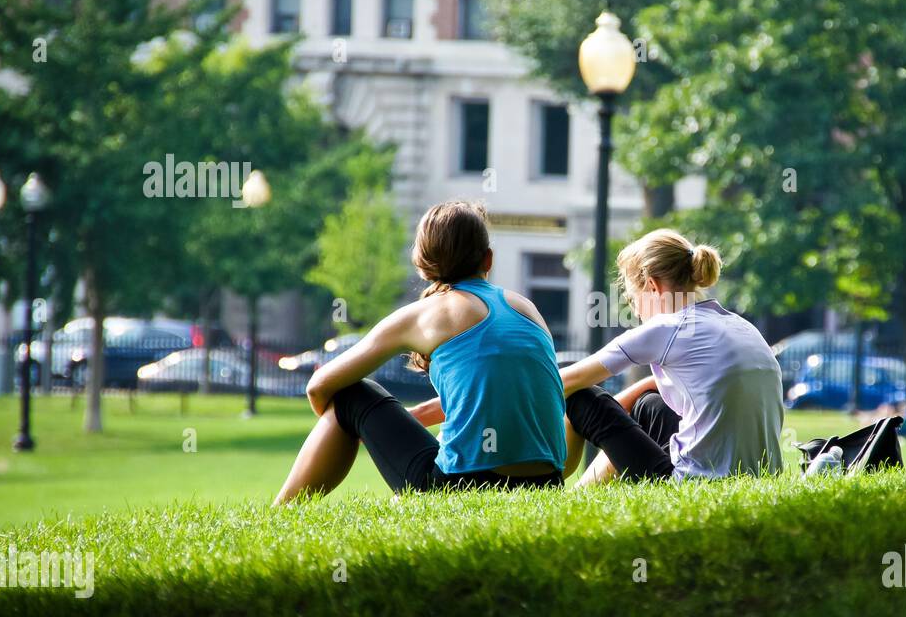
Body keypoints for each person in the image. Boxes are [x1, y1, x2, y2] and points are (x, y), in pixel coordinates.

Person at [273, 202, 566, 504]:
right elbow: (513, 390)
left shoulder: (421, 315)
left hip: (462, 486)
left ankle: (282, 513)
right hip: (548, 483)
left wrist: (340, 424)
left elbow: (319, 386)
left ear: (422, 263)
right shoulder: (525, 307)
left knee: (351, 395)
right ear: (488, 259)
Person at [558, 228, 784, 485]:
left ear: (652, 286)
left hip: (695, 481)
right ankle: (581, 494)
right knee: (650, 405)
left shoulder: (667, 328)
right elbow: (664, 387)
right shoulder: (739, 325)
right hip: (762, 478)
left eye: (633, 299)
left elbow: (562, 381)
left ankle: (552, 484)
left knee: (580, 397)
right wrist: (620, 407)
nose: (636, 311)